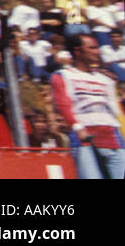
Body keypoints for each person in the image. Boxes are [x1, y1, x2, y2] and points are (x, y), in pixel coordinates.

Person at [50, 34, 125, 179]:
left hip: (112, 136)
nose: (97, 51)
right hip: (85, 136)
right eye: (92, 48)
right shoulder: (63, 76)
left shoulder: (106, 79)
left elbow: (117, 111)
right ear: (78, 51)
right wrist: (77, 128)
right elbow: (64, 104)